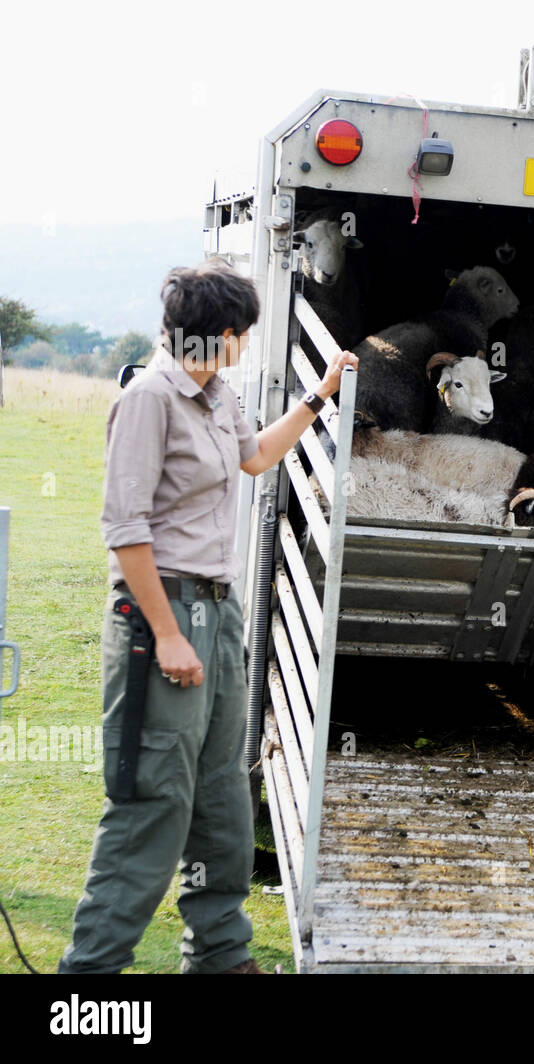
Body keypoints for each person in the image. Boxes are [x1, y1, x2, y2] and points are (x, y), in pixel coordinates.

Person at [59, 259, 358, 973]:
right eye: (244, 334)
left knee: (222, 791)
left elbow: (254, 459)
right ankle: (90, 977)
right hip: (162, 612)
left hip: (219, 618)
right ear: (221, 335)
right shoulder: (150, 400)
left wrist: (318, 399)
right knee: (155, 798)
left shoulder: (218, 397)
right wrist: (166, 635)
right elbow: (125, 530)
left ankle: (221, 957)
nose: (247, 345)